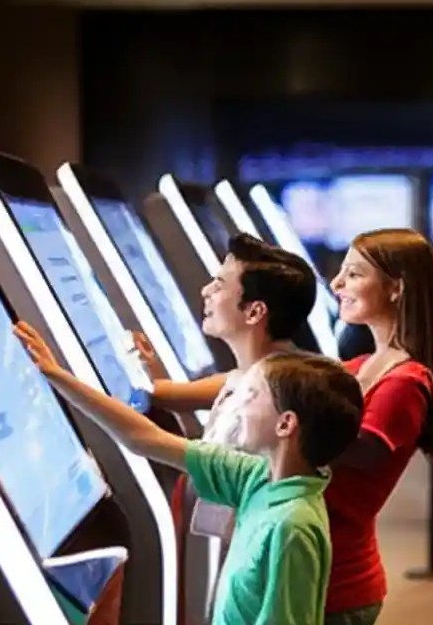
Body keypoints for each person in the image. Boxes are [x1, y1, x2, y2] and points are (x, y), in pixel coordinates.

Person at [15, 322, 363, 625]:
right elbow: (143, 438)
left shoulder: (293, 525)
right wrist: (57, 375)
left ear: (286, 424)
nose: (239, 404)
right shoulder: (258, 477)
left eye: (254, 396)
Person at [137, 233, 316, 619]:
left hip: (234, 573)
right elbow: (165, 393)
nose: (206, 291)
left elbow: (146, 437)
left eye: (219, 283)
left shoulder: (265, 399)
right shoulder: (257, 375)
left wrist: (53, 373)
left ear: (254, 312)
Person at [322, 228, 433, 625]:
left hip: (338, 581)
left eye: (355, 274)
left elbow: (338, 449)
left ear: (396, 288)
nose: (336, 283)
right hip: (317, 565)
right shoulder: (361, 366)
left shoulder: (405, 384)